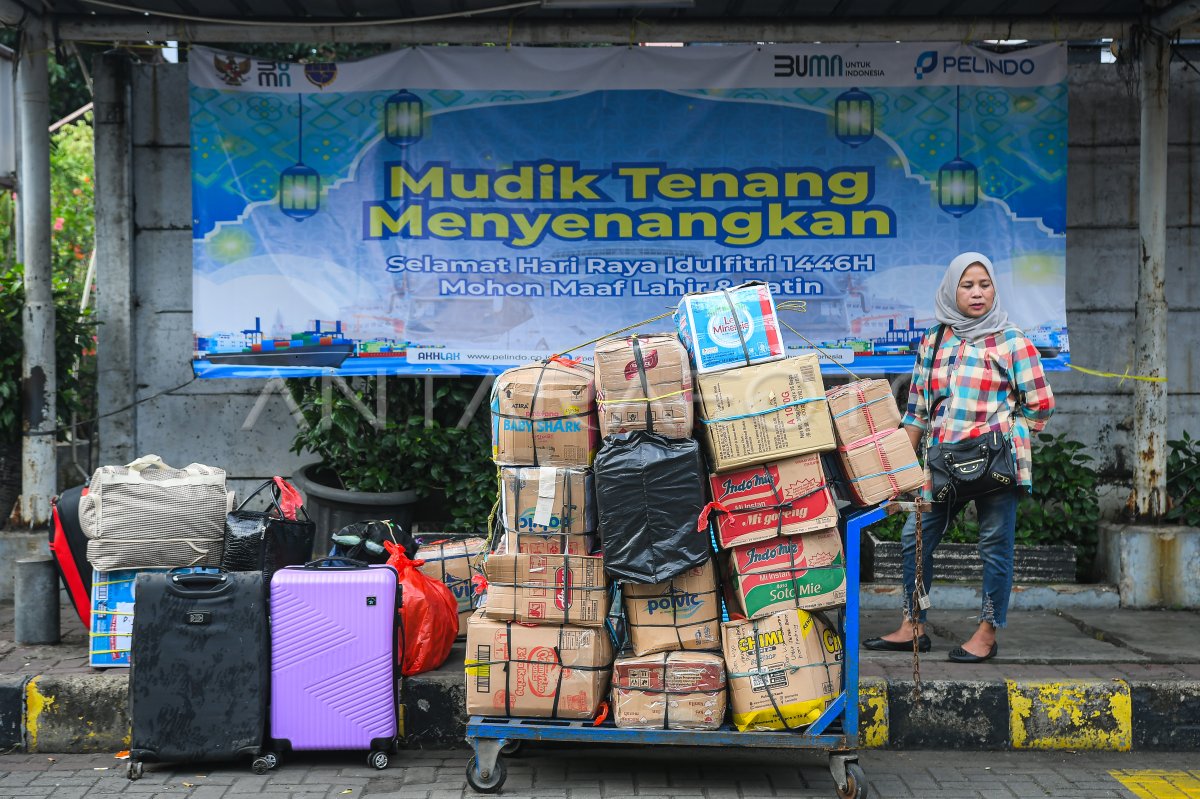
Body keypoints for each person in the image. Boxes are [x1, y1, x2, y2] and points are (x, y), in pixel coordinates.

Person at [864, 252, 1056, 663]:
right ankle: (913, 624)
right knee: (915, 536)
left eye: (984, 285)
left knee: (994, 545)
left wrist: (1006, 433)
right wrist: (903, 468)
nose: (976, 293)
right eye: (967, 285)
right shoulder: (933, 341)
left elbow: (1040, 403)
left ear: (994, 290)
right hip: (942, 464)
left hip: (996, 465)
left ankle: (987, 632)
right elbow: (916, 409)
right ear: (952, 290)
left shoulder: (1012, 342)